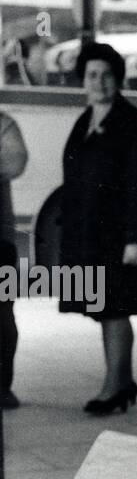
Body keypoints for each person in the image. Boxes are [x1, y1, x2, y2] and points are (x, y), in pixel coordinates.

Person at [60, 41, 137, 413]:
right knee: (105, 308)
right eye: (92, 75)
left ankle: (112, 389)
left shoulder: (131, 124)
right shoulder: (87, 120)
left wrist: (135, 239)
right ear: (83, 80)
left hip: (121, 237)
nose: (99, 82)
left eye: (106, 75)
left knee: (117, 308)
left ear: (118, 79)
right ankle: (124, 380)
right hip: (92, 236)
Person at [0, 109, 28, 408]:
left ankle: (2, 386)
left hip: (0, 241)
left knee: (2, 317)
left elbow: (15, 160)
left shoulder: (4, 123)